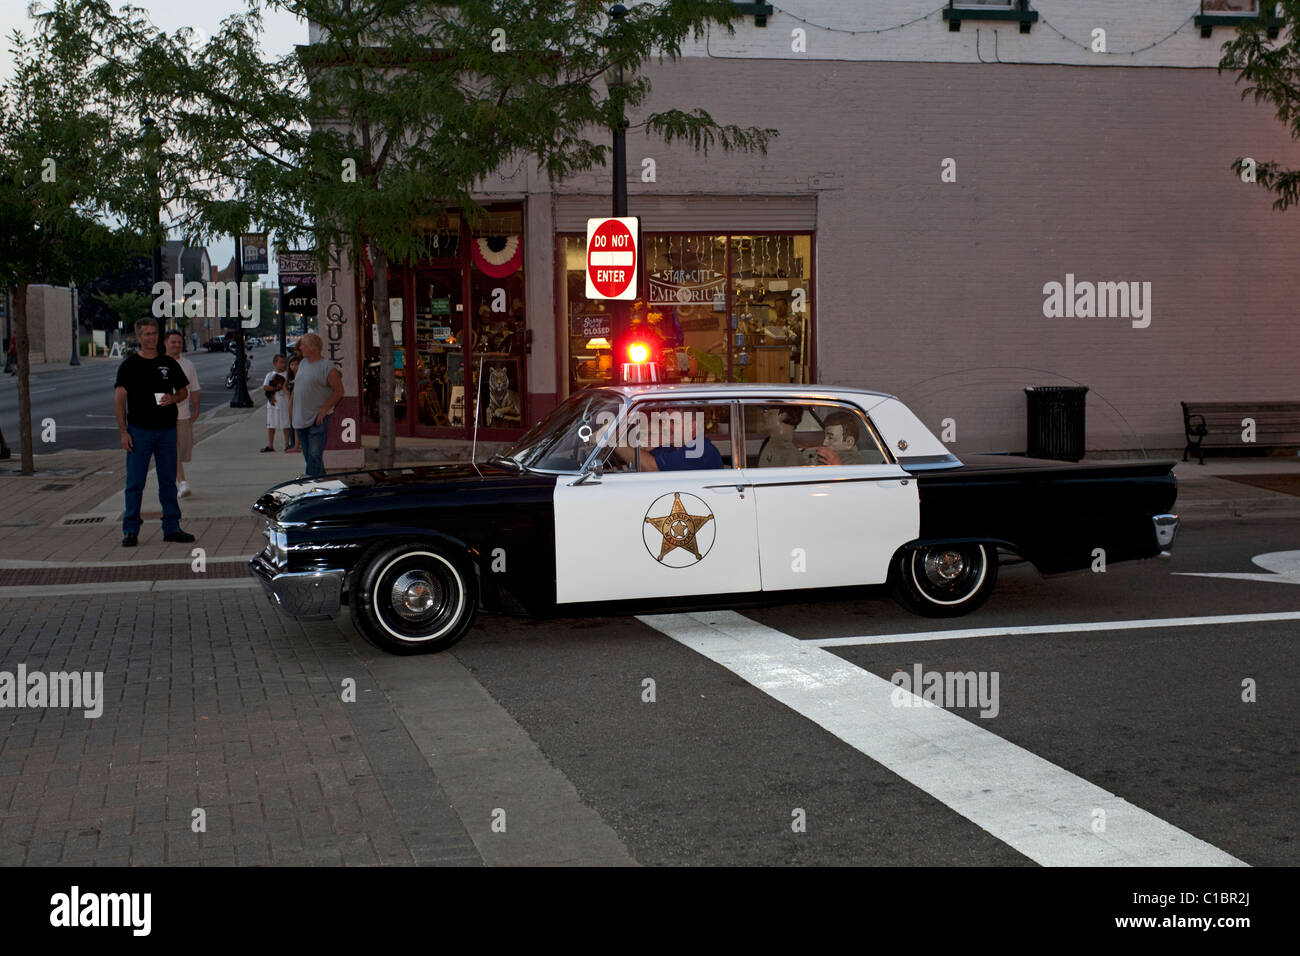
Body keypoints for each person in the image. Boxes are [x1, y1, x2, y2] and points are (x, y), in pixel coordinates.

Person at [113, 317, 195, 546]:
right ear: (138, 337)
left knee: (168, 482)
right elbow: (119, 400)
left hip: (167, 432)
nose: (151, 337)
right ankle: (130, 530)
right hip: (139, 432)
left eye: (154, 333)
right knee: (135, 482)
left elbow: (183, 392)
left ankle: (172, 527)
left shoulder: (168, 363)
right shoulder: (129, 366)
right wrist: (123, 432)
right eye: (146, 334)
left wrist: (173, 398)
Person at [292, 332, 344, 478]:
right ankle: (324, 485)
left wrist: (324, 409)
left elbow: (339, 391)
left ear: (313, 347)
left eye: (303, 344)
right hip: (300, 418)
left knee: (314, 456)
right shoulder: (302, 363)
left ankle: (309, 481)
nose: (300, 347)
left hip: (317, 419)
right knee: (311, 457)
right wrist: (291, 407)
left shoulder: (327, 366)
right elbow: (298, 387)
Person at [615, 408, 722, 471]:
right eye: (664, 422)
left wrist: (613, 441)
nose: (665, 427)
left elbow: (651, 467)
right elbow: (639, 453)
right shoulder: (672, 448)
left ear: (692, 426)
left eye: (673, 422)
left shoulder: (701, 450)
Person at [164, 330, 200, 498]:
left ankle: (174, 481)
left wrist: (197, 409)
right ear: (165, 342)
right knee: (173, 450)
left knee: (182, 451)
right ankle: (182, 482)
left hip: (183, 415)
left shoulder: (188, 365)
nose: (177, 345)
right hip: (164, 417)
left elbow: (194, 389)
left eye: (179, 342)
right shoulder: (159, 364)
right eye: (173, 342)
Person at [261, 354, 292, 452]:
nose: (283, 365)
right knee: (271, 425)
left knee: (286, 424)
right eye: (281, 362)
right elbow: (265, 387)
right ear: (275, 363)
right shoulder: (270, 375)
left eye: (284, 362)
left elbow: (289, 387)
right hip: (273, 403)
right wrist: (276, 388)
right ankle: (270, 445)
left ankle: (287, 444)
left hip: (284, 402)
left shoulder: (287, 375)